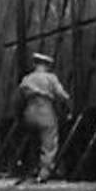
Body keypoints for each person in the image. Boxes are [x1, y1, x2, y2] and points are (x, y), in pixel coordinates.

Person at [18, 52, 72, 182]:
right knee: (49, 144)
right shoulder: (50, 78)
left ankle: (32, 170)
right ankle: (43, 174)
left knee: (33, 142)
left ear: (35, 64)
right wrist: (69, 106)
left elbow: (19, 99)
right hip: (45, 111)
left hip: (29, 112)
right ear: (47, 65)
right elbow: (62, 95)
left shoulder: (27, 79)